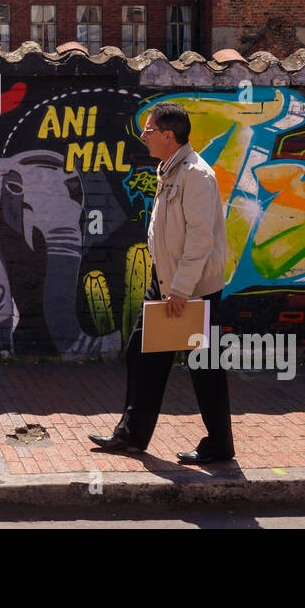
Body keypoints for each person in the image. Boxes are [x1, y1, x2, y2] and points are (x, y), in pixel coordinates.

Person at [89, 101, 235, 463]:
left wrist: (181, 290)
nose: (144, 135)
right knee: (142, 356)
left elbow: (200, 239)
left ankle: (219, 445)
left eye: (150, 130)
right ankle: (131, 435)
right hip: (167, 283)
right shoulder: (172, 169)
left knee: (204, 368)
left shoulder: (196, 176)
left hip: (192, 290)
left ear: (169, 136)